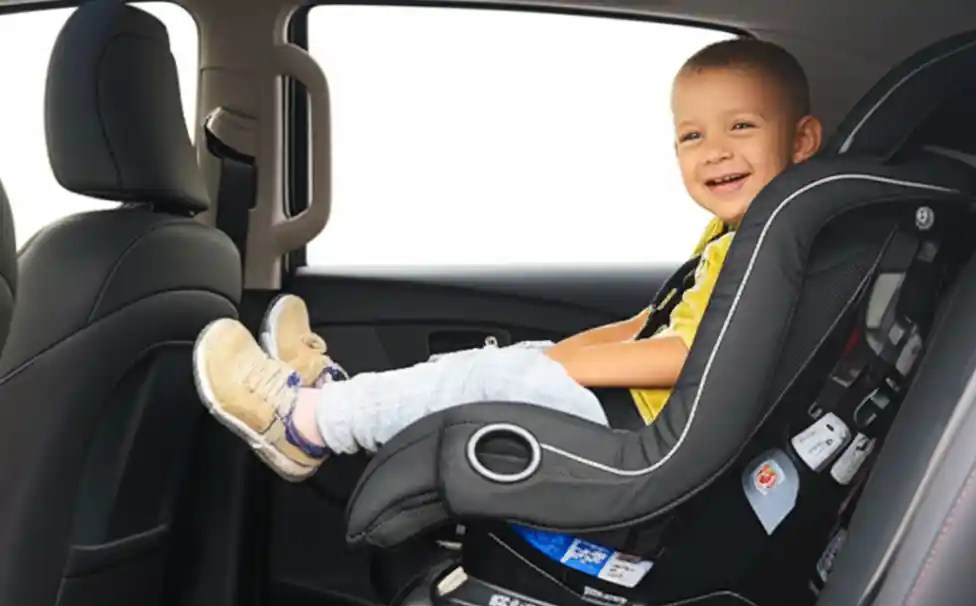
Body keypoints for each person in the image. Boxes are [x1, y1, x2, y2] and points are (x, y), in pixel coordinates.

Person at [193, 38, 824, 481]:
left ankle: (307, 425)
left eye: (740, 127)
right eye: (692, 135)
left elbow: (691, 355)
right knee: (502, 362)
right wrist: (562, 353)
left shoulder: (767, 247)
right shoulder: (733, 234)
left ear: (801, 142)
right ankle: (340, 394)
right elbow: (652, 321)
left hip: (645, 423)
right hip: (643, 405)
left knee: (484, 379)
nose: (714, 151)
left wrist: (577, 366)